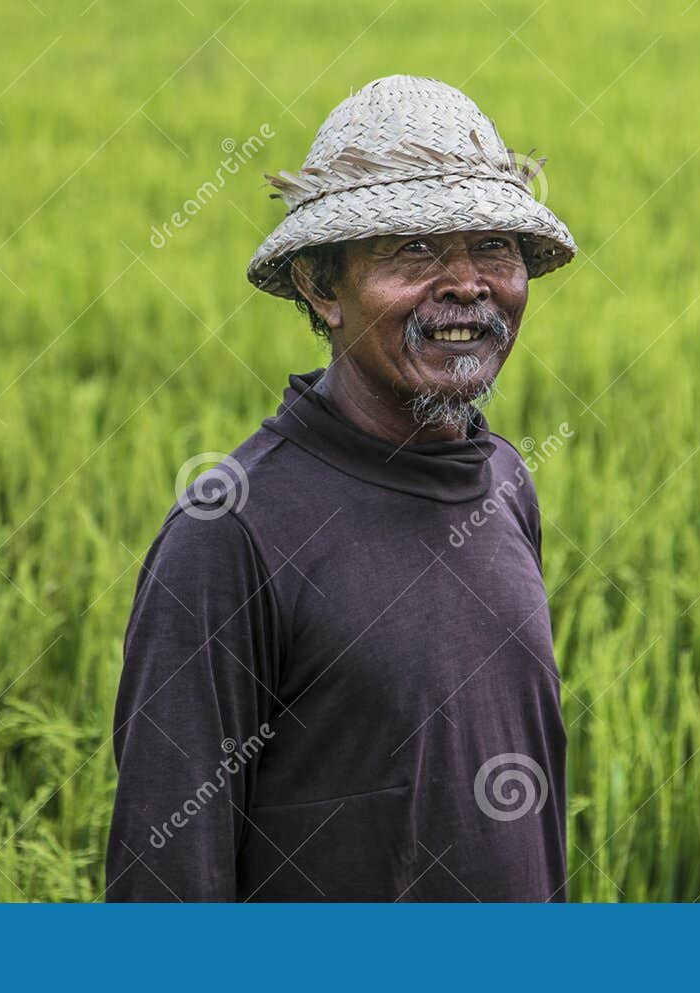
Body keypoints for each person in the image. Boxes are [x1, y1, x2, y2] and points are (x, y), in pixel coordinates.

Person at [105, 74, 577, 901]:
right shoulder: (232, 535)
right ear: (323, 288)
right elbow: (166, 891)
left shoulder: (504, 483)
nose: (468, 283)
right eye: (415, 249)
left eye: (493, 247)